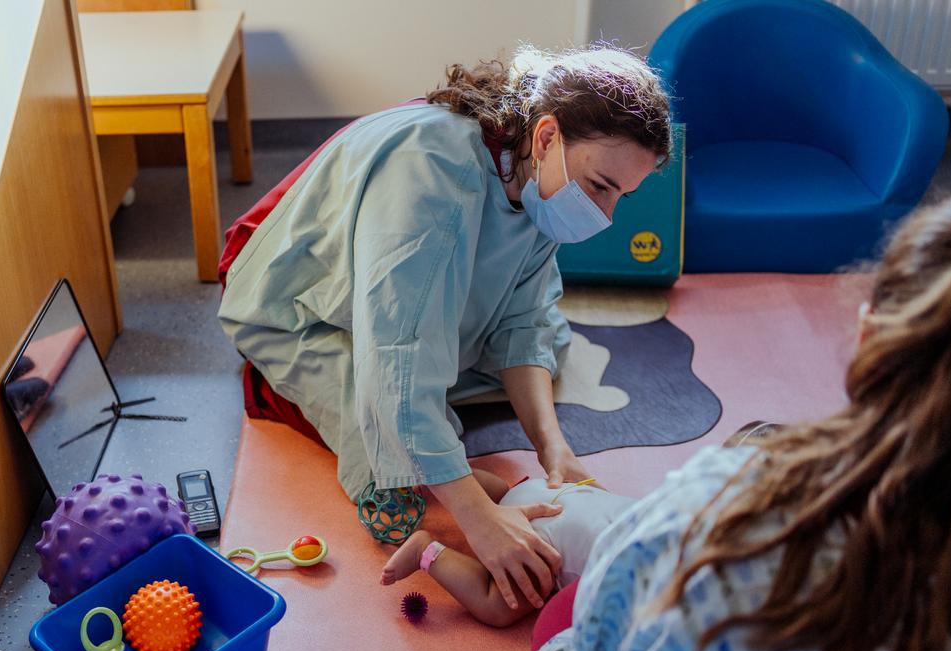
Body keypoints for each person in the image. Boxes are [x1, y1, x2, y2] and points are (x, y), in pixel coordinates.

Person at [468, 191, 951, 651]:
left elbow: (598, 637)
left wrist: (446, 552)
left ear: (869, 337)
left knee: (565, 623)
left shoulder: (725, 510)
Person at [219, 46, 672, 611]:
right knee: (393, 465)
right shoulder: (432, 171)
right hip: (297, 306)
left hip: (410, 291)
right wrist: (477, 520)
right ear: (549, 137)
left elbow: (523, 317)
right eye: (602, 186)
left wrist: (554, 448)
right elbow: (398, 357)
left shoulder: (538, 176)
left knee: (545, 344)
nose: (605, 215)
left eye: (620, 197)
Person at [380, 471, 635, 627]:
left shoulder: (667, 512)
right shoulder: (648, 594)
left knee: (505, 494)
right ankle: (424, 551)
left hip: (550, 489)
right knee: (499, 608)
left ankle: (443, 478)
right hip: (541, 544)